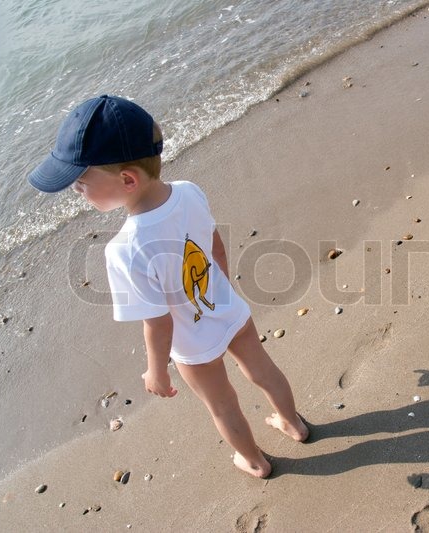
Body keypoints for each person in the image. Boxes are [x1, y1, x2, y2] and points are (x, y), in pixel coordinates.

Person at [28, 94, 308, 478]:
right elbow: (216, 248)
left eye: (80, 185)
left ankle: (255, 462)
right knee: (262, 369)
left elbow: (157, 322)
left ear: (128, 179)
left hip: (193, 345)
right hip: (229, 310)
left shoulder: (124, 250)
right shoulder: (190, 191)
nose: (78, 194)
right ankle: (293, 424)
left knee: (222, 404)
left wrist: (156, 371)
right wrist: (220, 294)